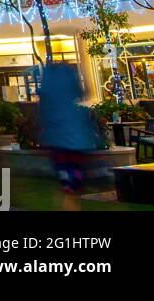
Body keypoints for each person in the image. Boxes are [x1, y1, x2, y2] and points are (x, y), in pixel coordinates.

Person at [39, 63, 98, 211]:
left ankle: (69, 195)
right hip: (75, 140)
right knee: (74, 178)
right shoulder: (67, 85)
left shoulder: (49, 94)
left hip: (59, 141)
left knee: (67, 178)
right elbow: (83, 92)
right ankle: (70, 196)